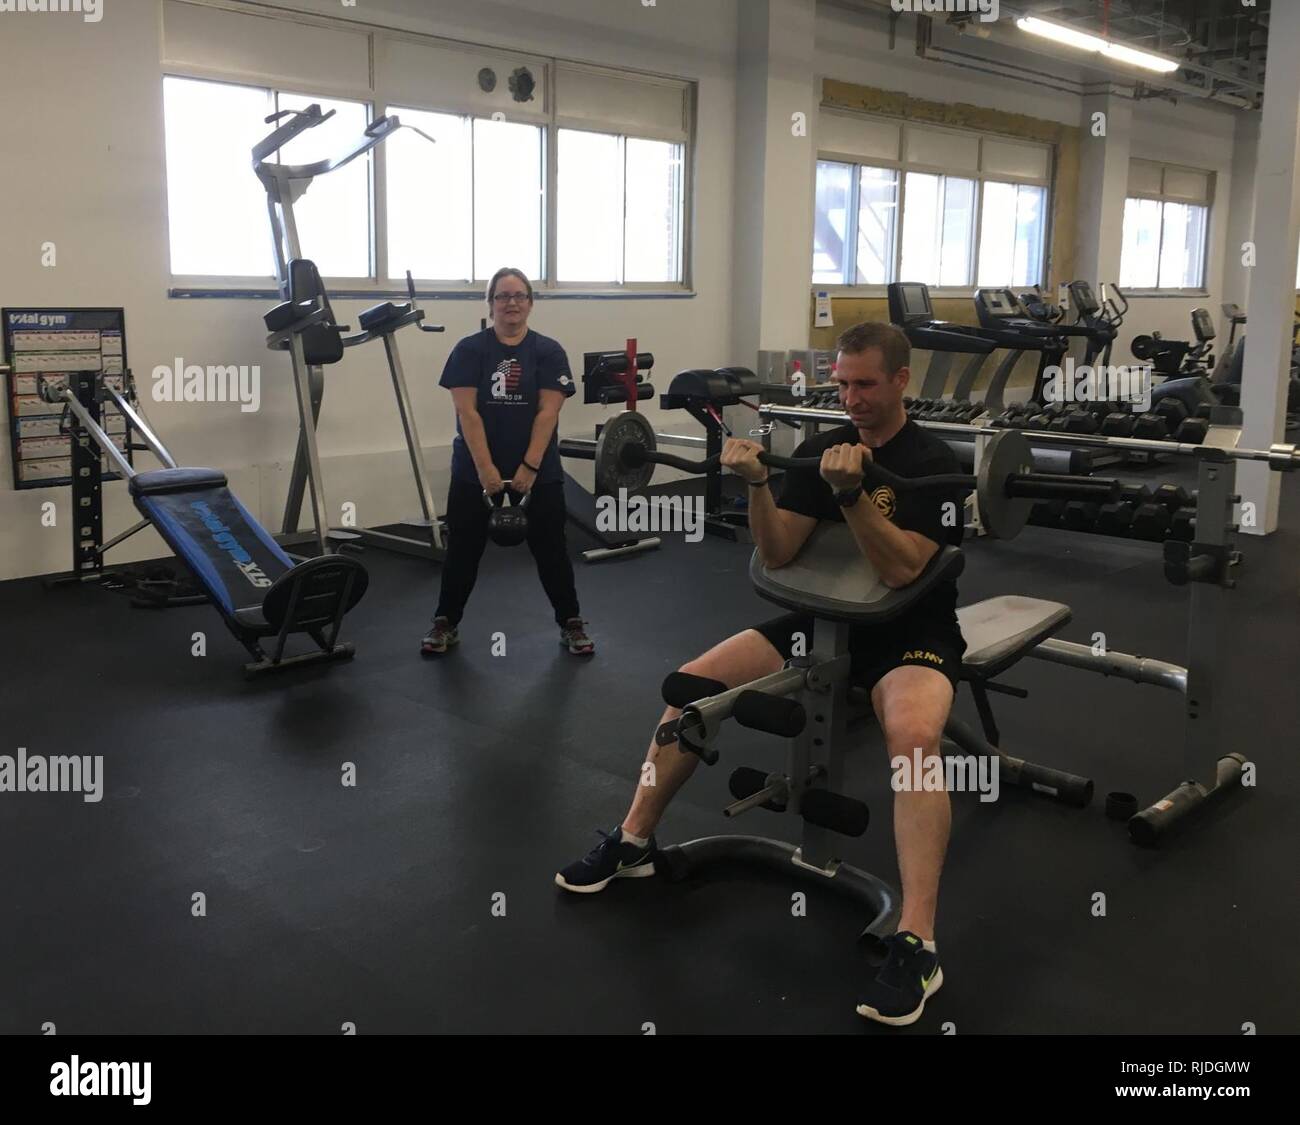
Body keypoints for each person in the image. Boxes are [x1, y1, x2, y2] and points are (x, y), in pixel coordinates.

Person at [555, 322, 966, 1027]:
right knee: (691, 683)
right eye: (841, 383)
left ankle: (918, 940)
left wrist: (852, 495)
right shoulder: (817, 448)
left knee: (914, 741)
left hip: (908, 630)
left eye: (865, 383)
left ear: (902, 380)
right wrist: (757, 485)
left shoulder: (938, 463)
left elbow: (902, 571)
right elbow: (778, 555)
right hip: (819, 617)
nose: (852, 397)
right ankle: (633, 841)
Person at [422, 268, 594, 657]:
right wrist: (486, 471)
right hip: (473, 472)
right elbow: (467, 412)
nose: (511, 303)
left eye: (518, 295)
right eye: (502, 296)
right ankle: (445, 622)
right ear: (491, 304)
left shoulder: (548, 351)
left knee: (552, 550)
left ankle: (571, 622)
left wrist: (529, 469)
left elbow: (547, 413)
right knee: (463, 551)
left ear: (531, 302)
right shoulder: (469, 350)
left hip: (538, 473)